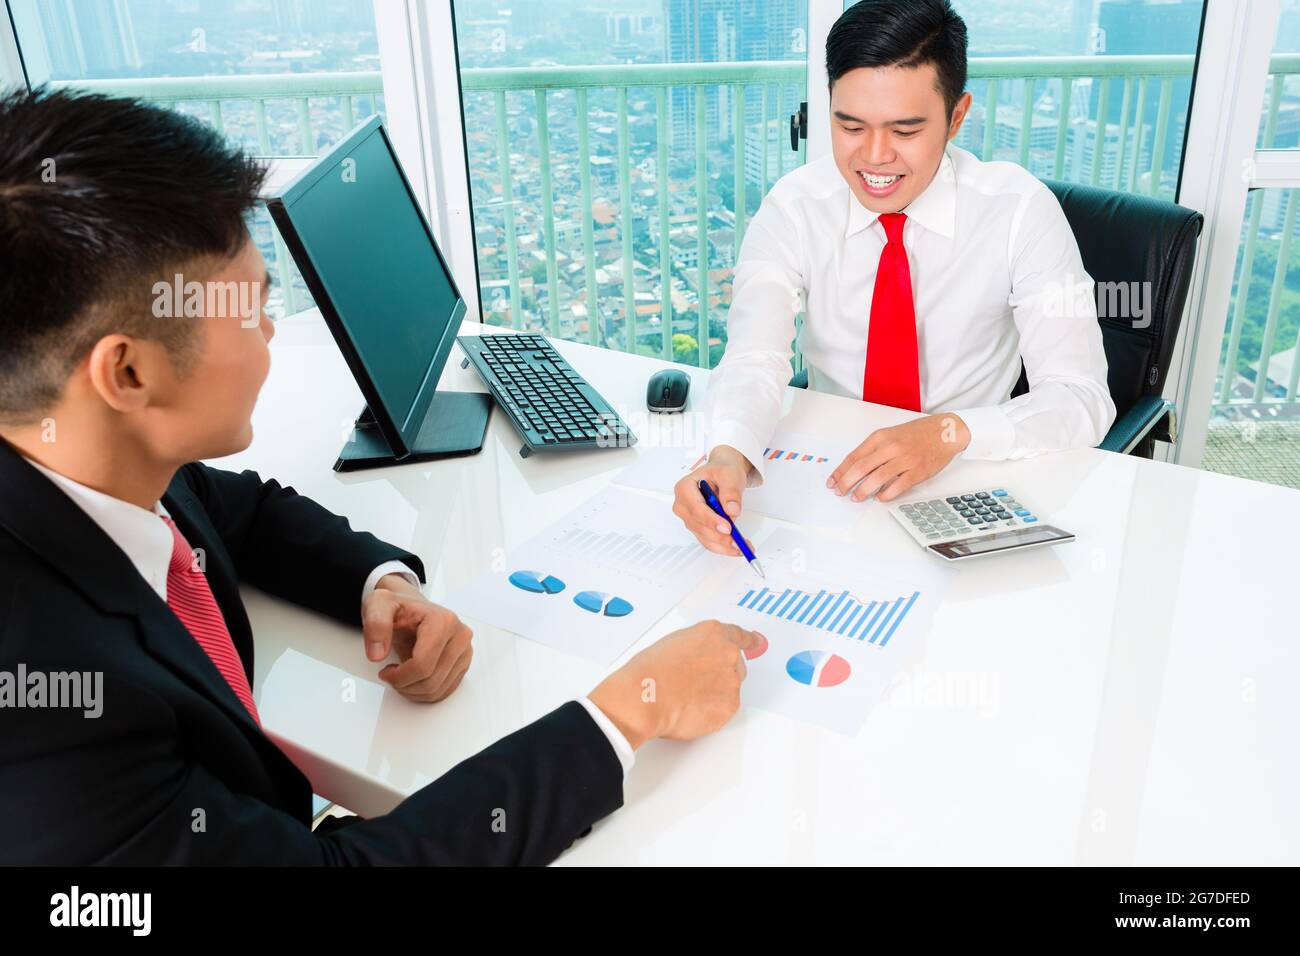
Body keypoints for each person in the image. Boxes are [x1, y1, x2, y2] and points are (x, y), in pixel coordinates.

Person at [0, 87, 757, 865]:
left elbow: (241, 513)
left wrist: (379, 584)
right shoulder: (48, 723)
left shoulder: (82, 459)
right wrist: (626, 714)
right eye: (250, 309)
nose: (270, 329)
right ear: (126, 373)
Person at [673, 0, 1115, 556]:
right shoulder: (796, 206)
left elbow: (1081, 398)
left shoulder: (1019, 210)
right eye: (850, 125)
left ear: (956, 117)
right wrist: (727, 453)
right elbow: (754, 356)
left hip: (968, 477)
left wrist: (949, 434)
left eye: (905, 129)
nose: (874, 158)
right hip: (833, 473)